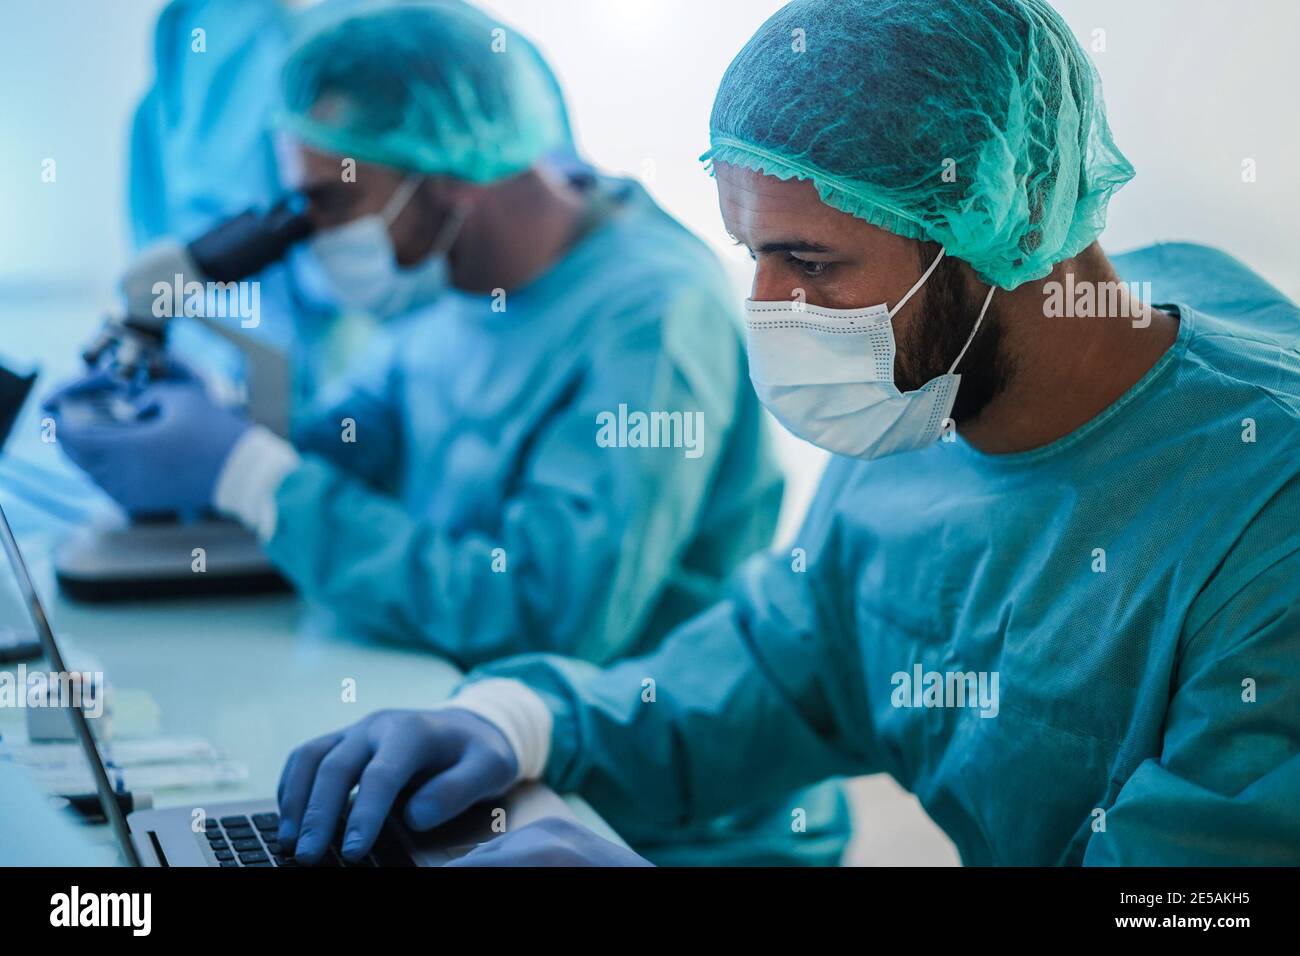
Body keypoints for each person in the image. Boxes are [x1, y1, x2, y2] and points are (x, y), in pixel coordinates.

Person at [270, 0, 1300, 866]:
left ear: (1004, 227)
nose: (769, 314)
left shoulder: (1263, 521)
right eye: (751, 254)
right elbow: (776, 660)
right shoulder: (928, 406)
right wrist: (524, 721)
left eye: (810, 263)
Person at [46, 1, 849, 866]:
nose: (313, 235)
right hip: (469, 750)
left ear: (449, 173)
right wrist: (201, 431)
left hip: (648, 818)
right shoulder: (445, 283)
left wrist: (244, 472)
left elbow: (549, 616)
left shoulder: (652, 318)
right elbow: (357, 438)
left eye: (330, 200)